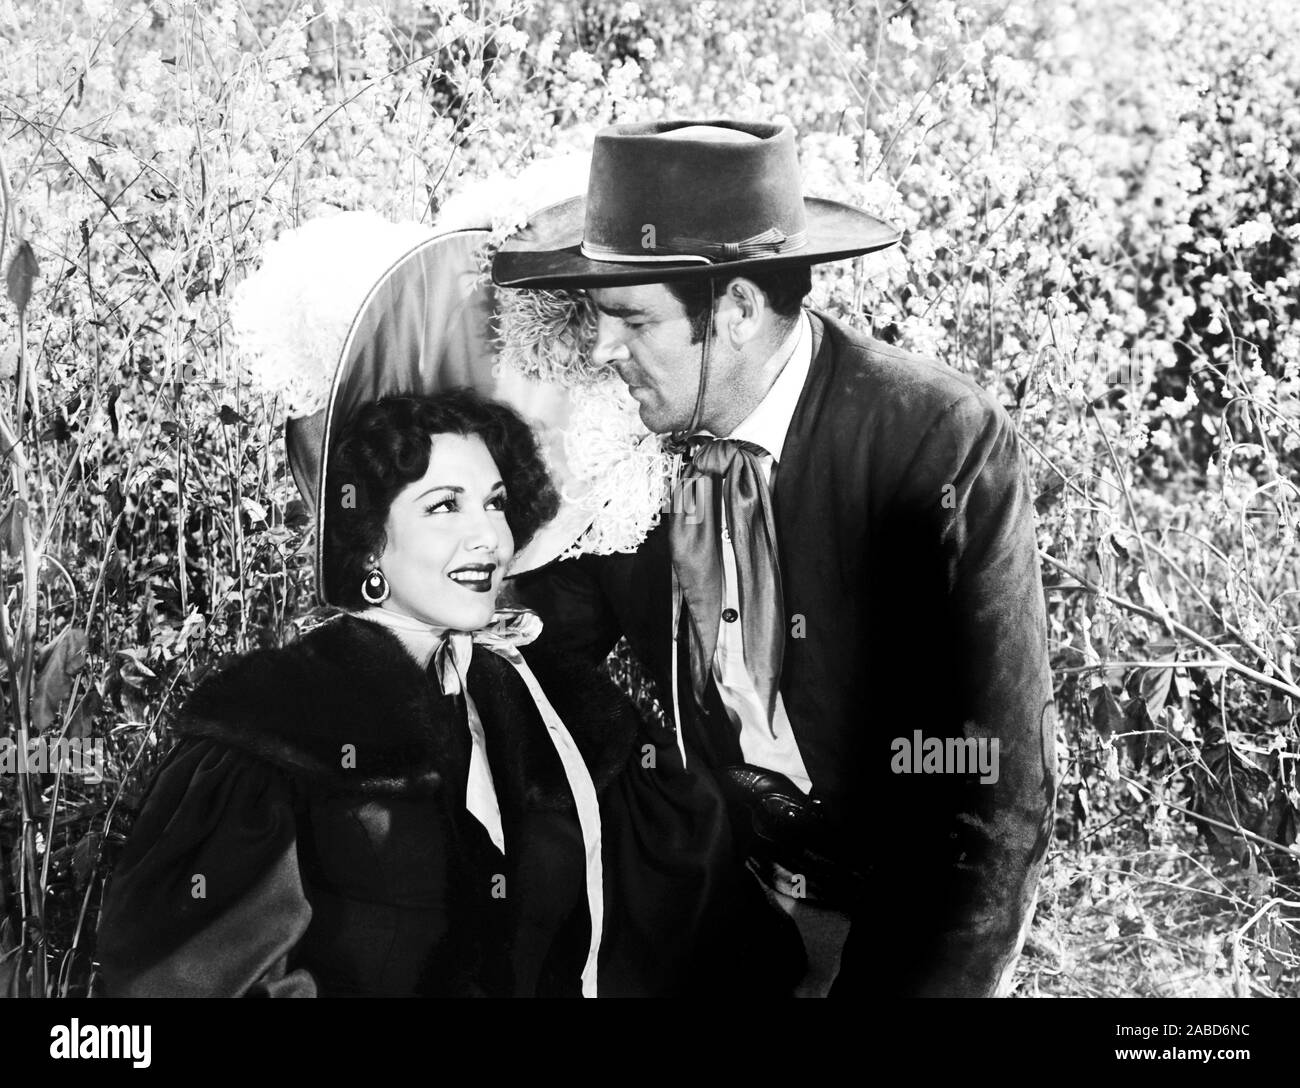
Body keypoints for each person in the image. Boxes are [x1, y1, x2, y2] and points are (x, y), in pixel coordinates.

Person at [494, 119, 1058, 997]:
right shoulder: (623, 435)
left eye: (634, 320)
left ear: (741, 310)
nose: (604, 352)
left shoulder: (931, 441)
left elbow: (987, 791)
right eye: (603, 321)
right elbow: (538, 642)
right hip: (721, 905)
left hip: (898, 923)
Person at [96, 390, 632, 997]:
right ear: (372, 539)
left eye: (496, 503)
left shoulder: (542, 703)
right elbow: (194, 975)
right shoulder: (275, 724)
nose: (489, 537)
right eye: (444, 507)